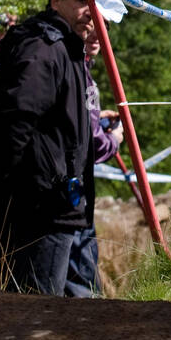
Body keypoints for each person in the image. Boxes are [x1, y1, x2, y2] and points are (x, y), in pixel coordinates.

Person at [0, 0, 94, 294]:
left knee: (40, 320)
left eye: (92, 1)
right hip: (37, 210)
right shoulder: (42, 49)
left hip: (51, 206)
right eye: (81, 0)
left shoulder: (64, 47)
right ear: (56, 1)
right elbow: (12, 120)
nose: (89, 10)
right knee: (34, 322)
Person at [64, 27, 124, 298]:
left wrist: (98, 122)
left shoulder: (78, 65)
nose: (98, 37)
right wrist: (113, 140)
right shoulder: (75, 67)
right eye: (91, 30)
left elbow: (80, 125)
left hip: (68, 178)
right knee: (79, 261)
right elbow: (85, 140)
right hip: (71, 183)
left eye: (103, 31)